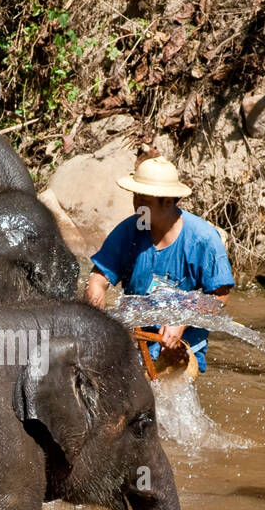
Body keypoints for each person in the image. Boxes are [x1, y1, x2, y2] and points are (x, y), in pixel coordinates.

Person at [84, 155, 233, 377]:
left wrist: (181, 321)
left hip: (182, 344)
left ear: (168, 201)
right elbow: (98, 278)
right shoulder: (129, 231)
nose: (137, 205)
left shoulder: (202, 239)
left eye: (144, 200)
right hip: (135, 340)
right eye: (136, 197)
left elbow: (220, 296)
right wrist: (100, 321)